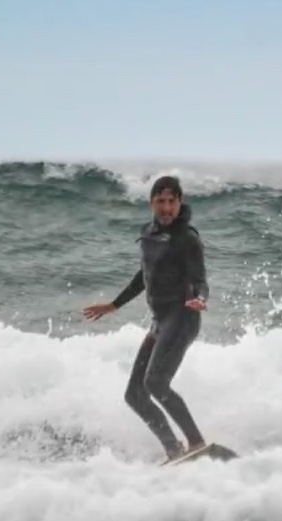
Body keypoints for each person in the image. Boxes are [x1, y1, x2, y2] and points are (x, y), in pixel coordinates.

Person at [83, 175, 210, 463]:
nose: (166, 208)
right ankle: (173, 450)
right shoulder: (147, 234)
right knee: (134, 395)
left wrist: (201, 299)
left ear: (180, 203)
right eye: (160, 201)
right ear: (151, 202)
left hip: (183, 318)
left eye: (171, 201)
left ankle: (196, 442)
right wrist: (114, 305)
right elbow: (145, 276)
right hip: (160, 321)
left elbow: (201, 280)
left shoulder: (188, 239)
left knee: (156, 383)